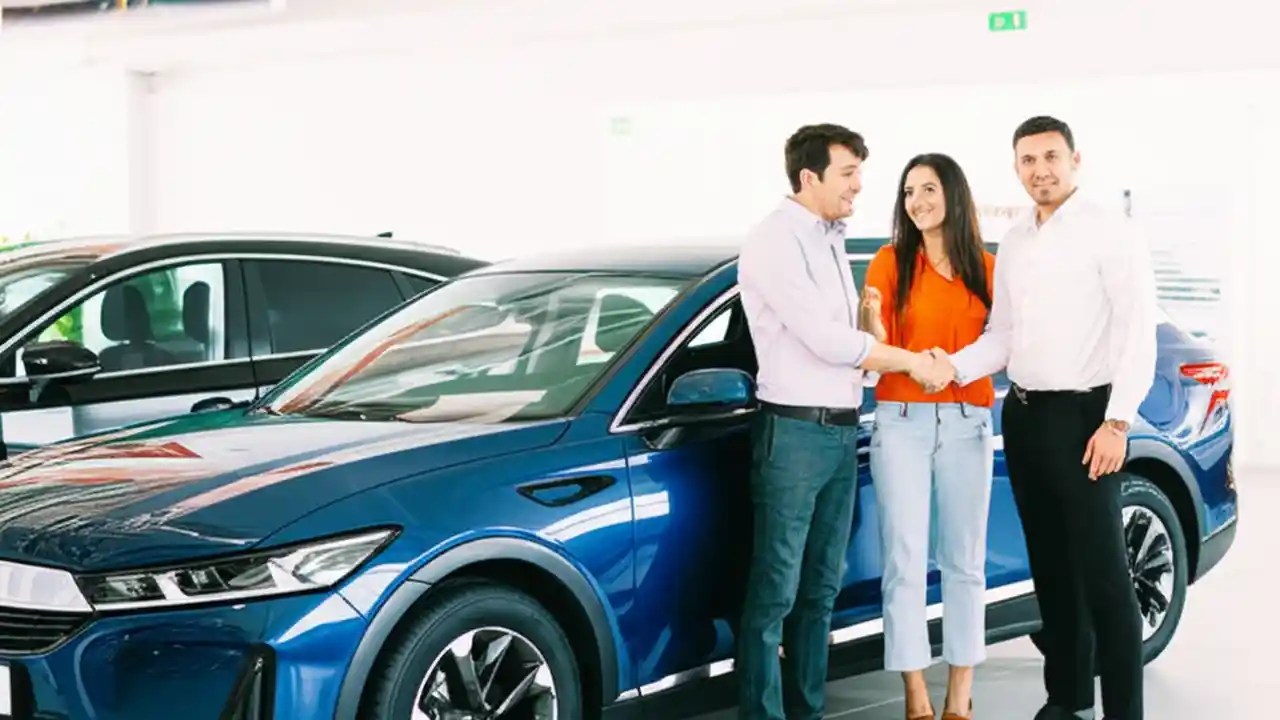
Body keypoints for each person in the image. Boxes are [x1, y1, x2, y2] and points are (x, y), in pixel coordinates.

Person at [928, 115, 1158, 720]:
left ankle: (1124, 713)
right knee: (1052, 569)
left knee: (1107, 575)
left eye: (1051, 157)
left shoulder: (1113, 231)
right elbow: (1001, 336)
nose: (1040, 170)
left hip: (1088, 418)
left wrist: (1117, 423)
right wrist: (949, 366)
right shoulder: (1018, 240)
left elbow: (1138, 334)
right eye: (1028, 160)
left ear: (1075, 160)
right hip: (1025, 417)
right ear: (1016, 168)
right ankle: (1068, 699)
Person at [735, 123, 946, 720]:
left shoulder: (829, 237)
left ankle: (807, 711)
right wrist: (906, 359)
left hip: (840, 429)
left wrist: (869, 329)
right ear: (810, 177)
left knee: (820, 591)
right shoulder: (775, 240)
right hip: (794, 435)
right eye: (848, 174)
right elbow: (825, 341)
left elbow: (844, 342)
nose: (859, 186)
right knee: (775, 591)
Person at [860, 153, 996, 720]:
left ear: (954, 195)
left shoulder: (986, 268)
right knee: (905, 559)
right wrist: (869, 317)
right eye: (909, 191)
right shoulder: (889, 262)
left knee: (964, 561)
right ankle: (916, 695)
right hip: (902, 423)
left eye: (929, 189)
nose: (917, 201)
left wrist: (950, 367)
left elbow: (1003, 342)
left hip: (968, 422)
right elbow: (873, 353)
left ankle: (959, 694)